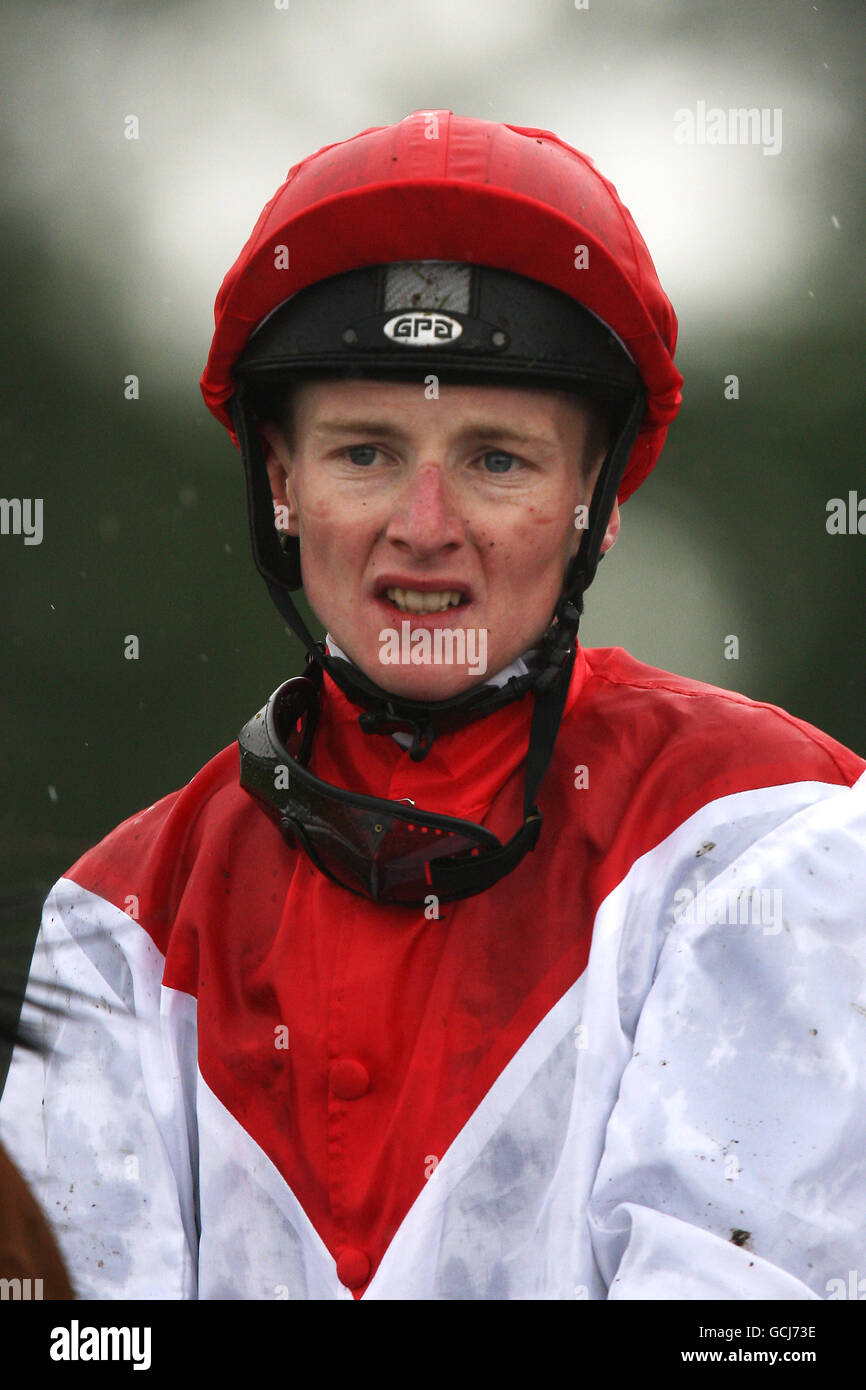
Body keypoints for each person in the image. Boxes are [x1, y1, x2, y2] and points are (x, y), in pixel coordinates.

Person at [1, 109, 865, 1302]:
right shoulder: (118, 916)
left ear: (594, 505)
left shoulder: (770, 832)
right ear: (279, 485)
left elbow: (743, 1318)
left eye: (495, 459)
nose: (423, 526)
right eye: (364, 451)